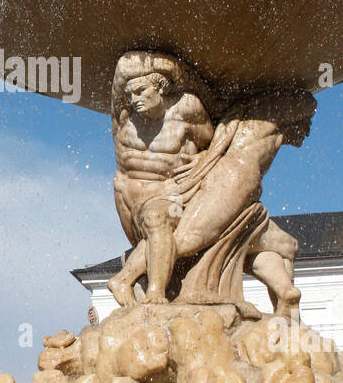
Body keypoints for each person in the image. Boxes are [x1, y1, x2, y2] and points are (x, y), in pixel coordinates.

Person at [109, 50, 315, 314]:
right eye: (130, 94)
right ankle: (150, 291)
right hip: (146, 198)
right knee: (166, 226)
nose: (133, 99)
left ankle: (287, 304)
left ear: (160, 88)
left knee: (282, 244)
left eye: (140, 91)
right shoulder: (124, 117)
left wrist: (204, 157)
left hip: (188, 188)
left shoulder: (187, 108)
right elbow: (123, 71)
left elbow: (209, 139)